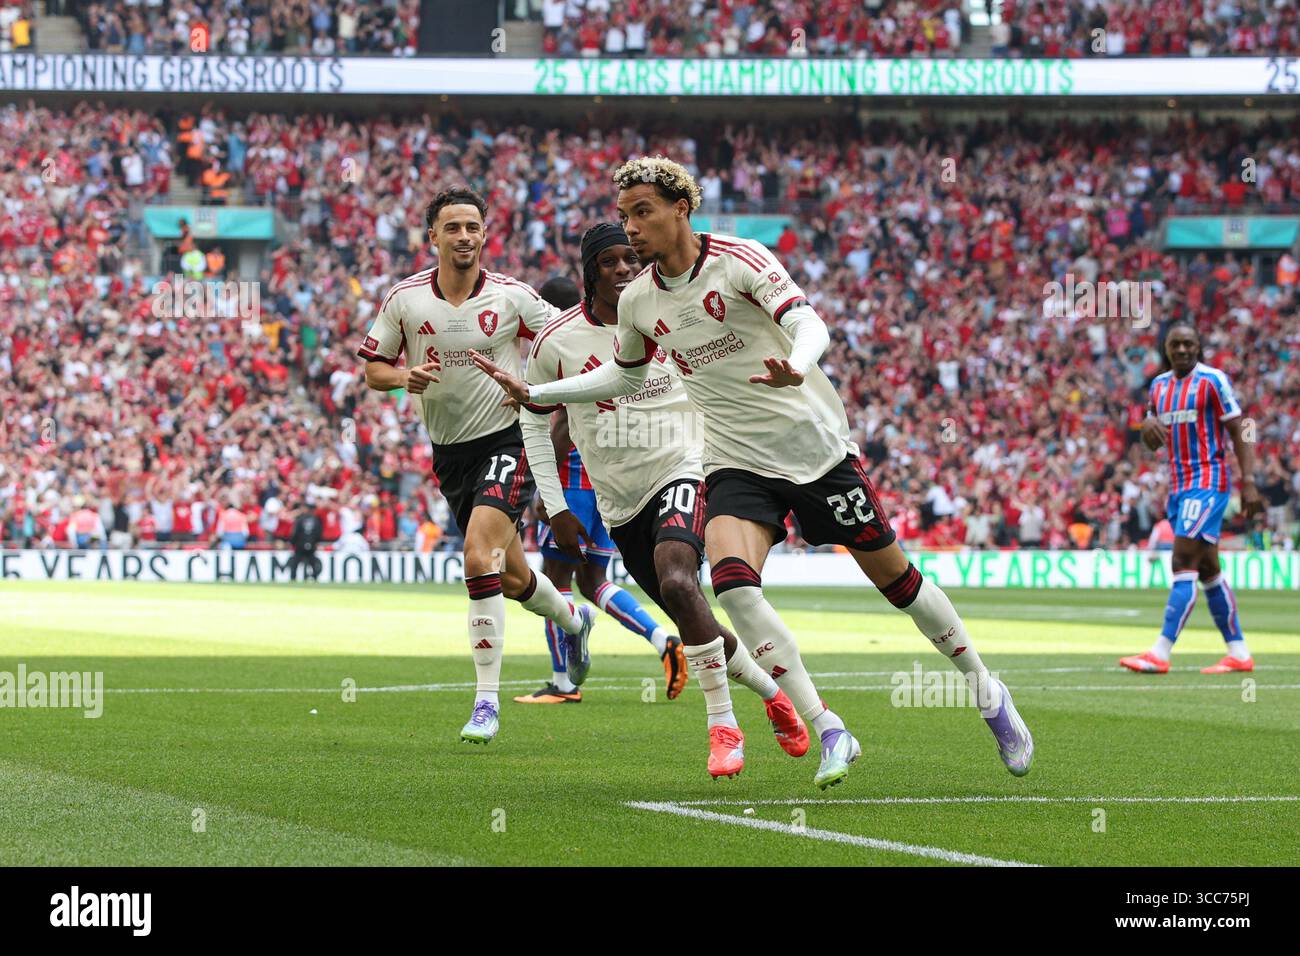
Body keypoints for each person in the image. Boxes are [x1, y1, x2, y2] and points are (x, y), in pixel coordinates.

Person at [474, 158, 1032, 789]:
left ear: (681, 206)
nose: (630, 228)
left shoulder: (740, 260)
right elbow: (625, 374)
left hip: (813, 451)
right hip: (732, 459)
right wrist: (544, 393)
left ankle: (987, 692)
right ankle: (829, 727)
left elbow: (807, 320)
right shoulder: (638, 300)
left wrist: (798, 361)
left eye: (642, 212)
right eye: (624, 215)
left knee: (898, 582)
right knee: (735, 589)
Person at [494, 225, 806, 776]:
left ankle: (722, 726)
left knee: (680, 580)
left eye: (629, 260)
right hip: (617, 502)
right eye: (609, 262)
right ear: (591, 271)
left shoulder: (669, 320)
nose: (623, 270)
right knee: (692, 616)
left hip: (684, 469)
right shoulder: (555, 343)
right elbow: (534, 424)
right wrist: (557, 506)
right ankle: (774, 695)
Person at [357, 187, 595, 746]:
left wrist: (540, 390)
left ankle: (486, 703)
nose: (464, 236)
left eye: (473, 227)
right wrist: (403, 378)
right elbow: (373, 370)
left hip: (507, 442)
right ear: (432, 236)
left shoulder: (514, 297)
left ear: (485, 234)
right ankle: (572, 620)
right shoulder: (405, 300)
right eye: (453, 227)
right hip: (451, 454)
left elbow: (569, 338)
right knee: (509, 576)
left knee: (475, 558)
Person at [514, 274, 692, 706]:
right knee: (594, 580)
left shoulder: (558, 348)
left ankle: (562, 683)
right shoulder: (607, 340)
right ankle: (662, 638)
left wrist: (544, 494)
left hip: (574, 482)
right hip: (611, 485)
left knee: (553, 583)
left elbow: (556, 427)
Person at [1121, 320, 1263, 675]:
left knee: (1182, 558)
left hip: (1209, 480)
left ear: (1198, 347)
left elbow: (1239, 428)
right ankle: (1239, 652)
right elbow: (1152, 440)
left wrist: (1248, 482)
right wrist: (1146, 430)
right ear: (1166, 350)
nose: (1183, 350)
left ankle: (1160, 652)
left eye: (1189, 344)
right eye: (1176, 345)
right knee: (1208, 569)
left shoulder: (1212, 381)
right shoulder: (1158, 387)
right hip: (1179, 486)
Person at [289, 500, 324, 580]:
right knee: (313, 563)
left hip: (300, 545)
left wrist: (293, 543)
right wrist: (315, 543)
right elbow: (319, 533)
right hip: (311, 545)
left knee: (295, 563)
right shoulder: (316, 520)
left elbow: (295, 533)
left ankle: (292, 579)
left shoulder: (300, 520)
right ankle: (315, 578)